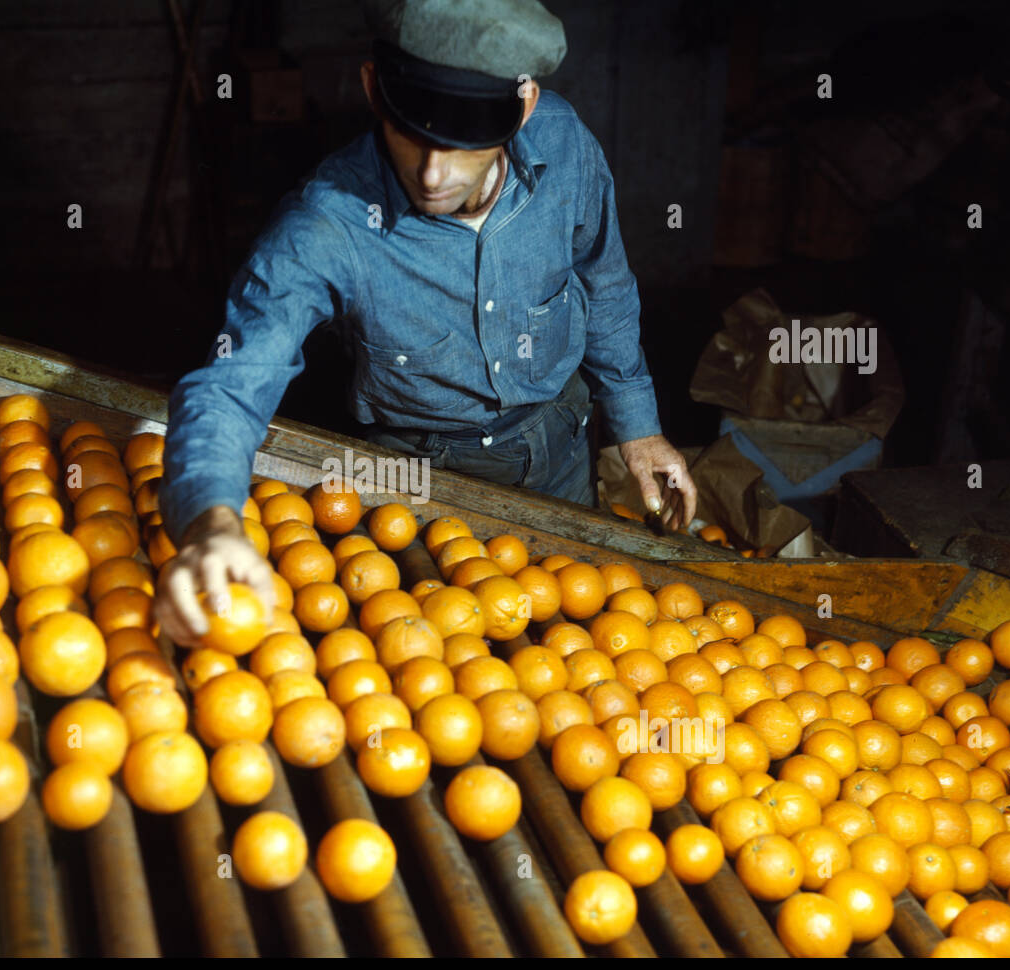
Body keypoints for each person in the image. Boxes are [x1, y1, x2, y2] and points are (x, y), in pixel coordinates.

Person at [154, 0, 697, 645]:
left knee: (566, 647)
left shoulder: (563, 145)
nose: (433, 173)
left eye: (463, 139)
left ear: (522, 106)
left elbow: (602, 281)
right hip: (414, 484)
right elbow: (233, 381)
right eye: (410, 130)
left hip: (558, 455)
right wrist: (211, 520)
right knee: (430, 661)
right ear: (371, 91)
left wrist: (638, 429)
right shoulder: (328, 224)